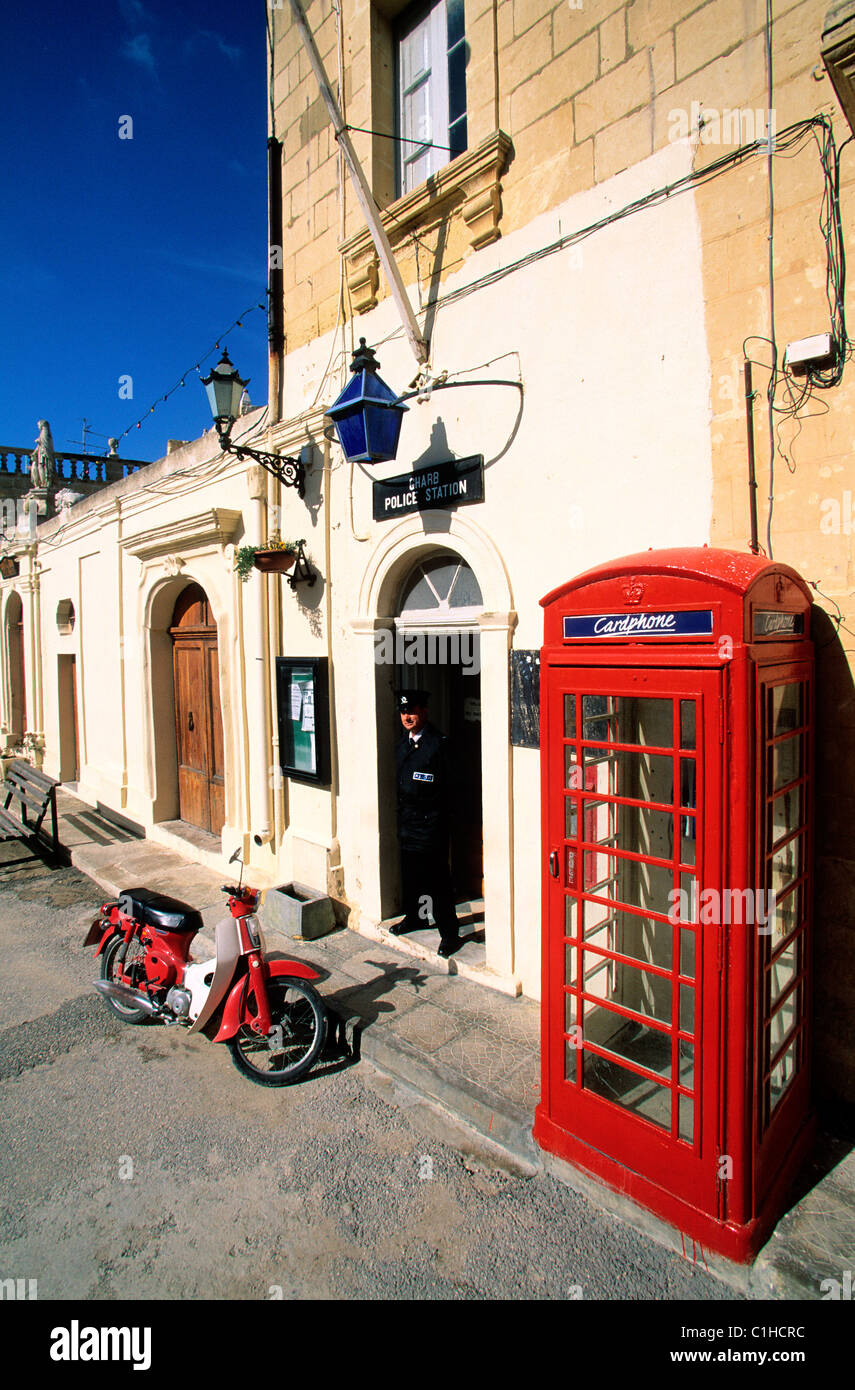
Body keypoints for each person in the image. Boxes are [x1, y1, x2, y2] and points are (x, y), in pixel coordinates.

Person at [391, 689, 462, 958]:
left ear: (424, 711)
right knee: (411, 876)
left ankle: (450, 933)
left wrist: (441, 823)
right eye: (403, 711)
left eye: (412, 711)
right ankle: (416, 917)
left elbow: (452, 789)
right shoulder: (402, 745)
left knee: (438, 881)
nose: (407, 716)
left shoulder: (439, 744)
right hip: (408, 825)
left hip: (431, 826)